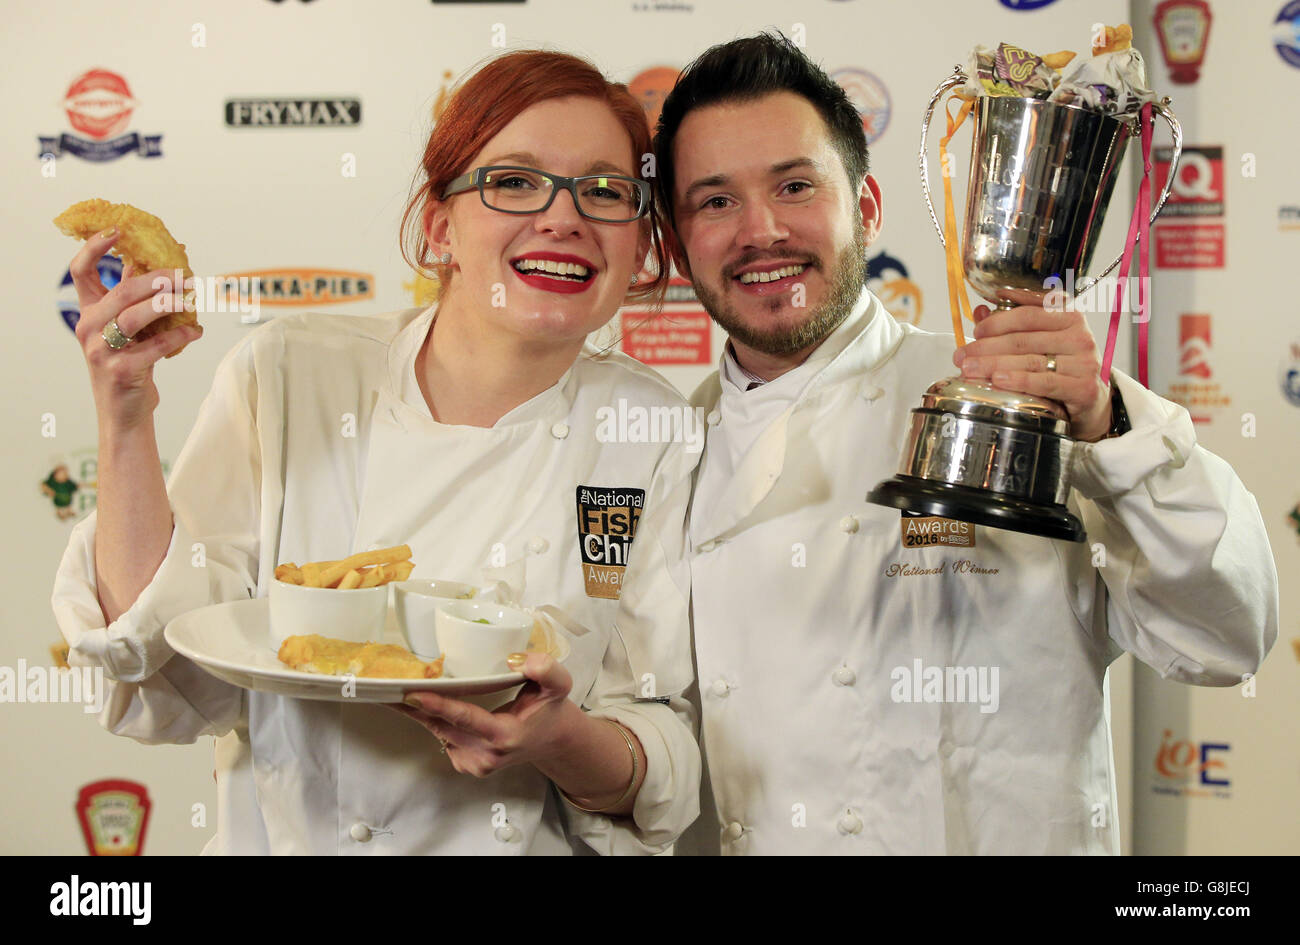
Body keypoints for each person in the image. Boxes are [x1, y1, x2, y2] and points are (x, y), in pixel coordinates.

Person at [52, 50, 701, 855]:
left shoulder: (650, 429)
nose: (563, 217)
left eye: (606, 191)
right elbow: (160, 672)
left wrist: (554, 738)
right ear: (439, 227)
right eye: (514, 181)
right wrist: (124, 412)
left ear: (640, 240)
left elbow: (658, 740)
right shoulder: (291, 372)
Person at [654, 33, 1278, 855]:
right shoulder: (663, 455)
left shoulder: (1020, 402)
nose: (761, 231)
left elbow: (1227, 637)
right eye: (715, 201)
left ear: (868, 206)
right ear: (675, 236)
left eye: (796, 185)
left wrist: (1100, 420)